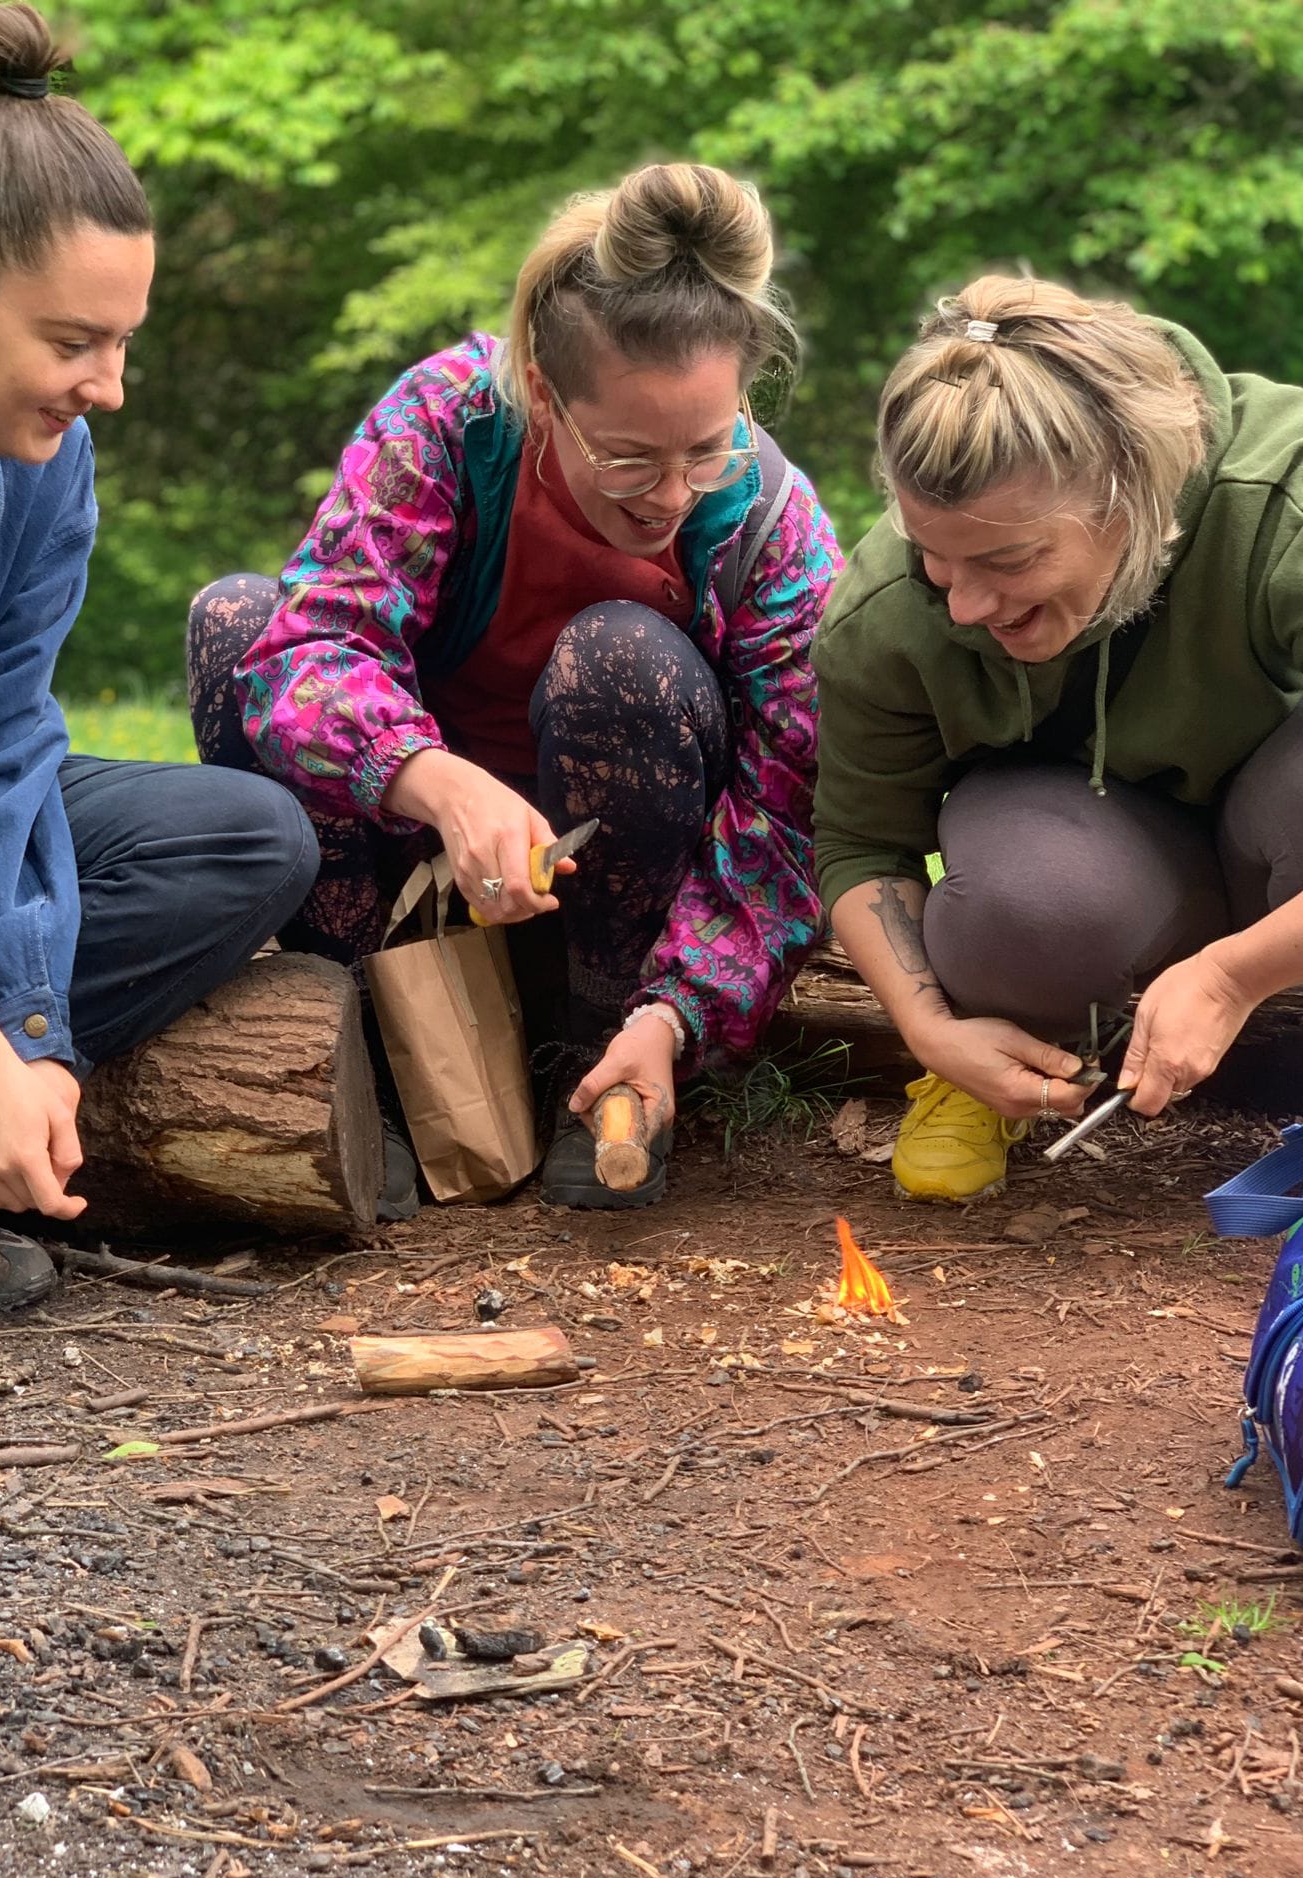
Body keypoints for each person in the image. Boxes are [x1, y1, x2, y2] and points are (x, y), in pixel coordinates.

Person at [189, 163, 837, 1216]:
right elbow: (310, 647)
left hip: (628, 911)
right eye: (627, 460)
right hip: (420, 868)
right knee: (236, 620)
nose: (670, 496)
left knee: (623, 654)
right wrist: (433, 779)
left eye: (705, 452)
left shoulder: (770, 522)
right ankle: (372, 1039)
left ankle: (600, 1052)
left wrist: (678, 1011)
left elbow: (790, 809)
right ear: (542, 391)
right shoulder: (448, 421)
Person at [0, 1, 318, 1335]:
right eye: (73, 343)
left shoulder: (52, 456)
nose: (110, 387)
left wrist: (24, 1039)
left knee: (248, 835)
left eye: (125, 340)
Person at [812, 275, 1303, 1202]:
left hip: (1293, 835)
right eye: (938, 558)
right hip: (1098, 851)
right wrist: (929, 1027)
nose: (967, 606)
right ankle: (985, 1067)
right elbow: (863, 843)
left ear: (1129, 494)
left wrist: (1232, 977)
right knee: (1022, 898)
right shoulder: (889, 613)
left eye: (1009, 561)